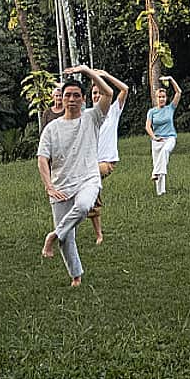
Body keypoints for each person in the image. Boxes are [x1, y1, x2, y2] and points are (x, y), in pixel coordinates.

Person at [38, 66, 110, 287]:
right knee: (67, 238)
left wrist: (86, 71)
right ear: (62, 98)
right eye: (67, 95)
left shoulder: (92, 118)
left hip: (88, 179)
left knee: (83, 206)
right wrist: (49, 186)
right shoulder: (51, 128)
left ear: (83, 99)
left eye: (76, 95)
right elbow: (42, 158)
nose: (71, 99)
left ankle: (52, 235)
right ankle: (76, 276)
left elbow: (108, 93)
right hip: (61, 185)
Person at [89, 70, 127, 244]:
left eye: (100, 92)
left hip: (106, 163)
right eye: (94, 93)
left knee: (92, 178)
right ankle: (98, 233)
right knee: (90, 197)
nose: (97, 96)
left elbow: (124, 89)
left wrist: (105, 75)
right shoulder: (87, 114)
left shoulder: (113, 111)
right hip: (88, 165)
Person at [145, 76, 182, 195]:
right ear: (156, 98)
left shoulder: (170, 108)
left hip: (170, 138)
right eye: (159, 97)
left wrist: (171, 79)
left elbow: (178, 92)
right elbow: (148, 126)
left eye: (163, 97)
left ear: (166, 98)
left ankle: (155, 172)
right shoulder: (152, 111)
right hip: (156, 139)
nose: (161, 99)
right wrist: (154, 137)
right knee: (159, 162)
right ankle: (161, 192)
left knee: (165, 152)